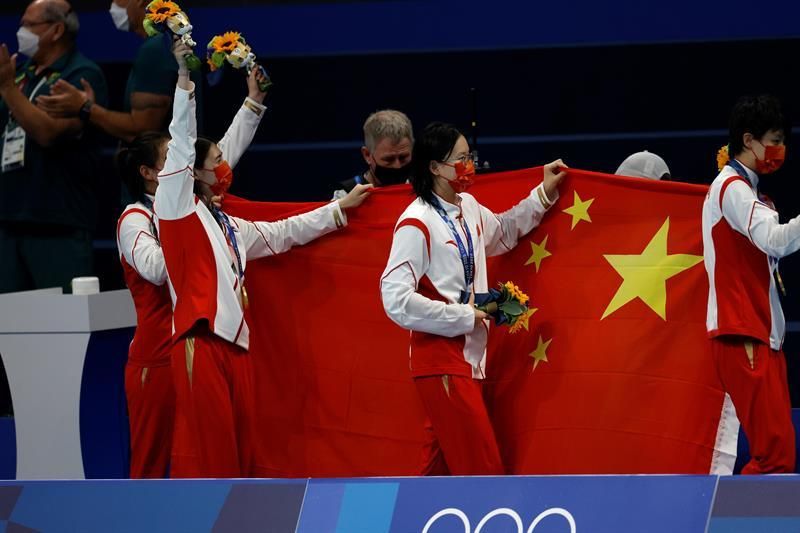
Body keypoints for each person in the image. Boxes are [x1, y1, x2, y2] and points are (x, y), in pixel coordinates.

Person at [155, 39, 372, 477]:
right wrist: (184, 77)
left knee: (243, 456)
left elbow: (283, 232)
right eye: (214, 161)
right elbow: (183, 144)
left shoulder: (229, 225)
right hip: (202, 342)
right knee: (216, 459)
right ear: (192, 174)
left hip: (236, 348)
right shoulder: (176, 208)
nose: (224, 165)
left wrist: (338, 210)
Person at [380, 122, 567, 475]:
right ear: (434, 167)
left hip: (469, 357)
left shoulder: (469, 207)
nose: (470, 166)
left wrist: (543, 194)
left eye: (470, 157)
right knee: (482, 470)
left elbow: (507, 231)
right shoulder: (415, 222)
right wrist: (465, 315)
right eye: (461, 159)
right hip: (440, 360)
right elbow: (394, 298)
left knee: (437, 472)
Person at [114, 67, 269, 478]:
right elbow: (154, 269)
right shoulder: (134, 219)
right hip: (157, 358)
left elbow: (219, 155)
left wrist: (252, 102)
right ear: (149, 173)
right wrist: (189, 234)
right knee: (150, 462)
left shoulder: (188, 202)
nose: (182, 165)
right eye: (170, 160)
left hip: (198, 343)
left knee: (205, 455)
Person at [702, 94, 800, 474]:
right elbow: (774, 239)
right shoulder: (731, 189)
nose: (780, 150)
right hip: (742, 332)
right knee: (774, 459)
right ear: (749, 140)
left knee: (780, 458)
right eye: (774, 140)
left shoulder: (750, 191)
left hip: (762, 336)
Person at [0, 0, 109, 293]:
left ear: (56, 29)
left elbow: (46, 132)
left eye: (28, 25)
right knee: (9, 327)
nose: (20, 31)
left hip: (57, 223)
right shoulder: (21, 74)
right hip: (10, 220)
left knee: (61, 326)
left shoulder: (80, 74)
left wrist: (8, 90)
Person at [36, 0, 197, 143]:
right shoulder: (167, 41)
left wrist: (85, 107)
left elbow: (143, 131)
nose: (112, 4)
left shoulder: (156, 48)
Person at [332, 109, 413, 199]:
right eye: (388, 159)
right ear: (367, 155)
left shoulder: (424, 190)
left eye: (403, 157)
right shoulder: (345, 196)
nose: (397, 166)